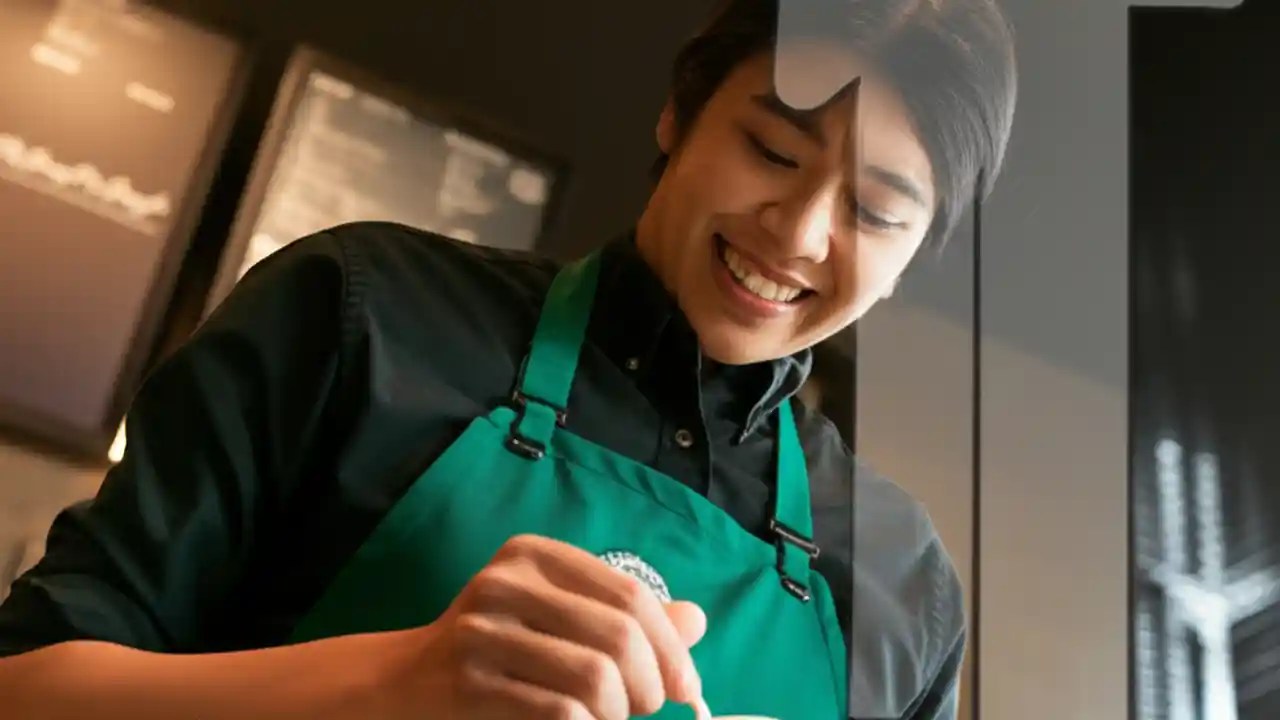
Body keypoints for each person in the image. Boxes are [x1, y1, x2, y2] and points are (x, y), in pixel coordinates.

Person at [0, 0, 1016, 717]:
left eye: (873, 212)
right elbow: (27, 689)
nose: (797, 233)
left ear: (916, 255)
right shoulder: (364, 318)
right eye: (772, 153)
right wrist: (394, 687)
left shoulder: (896, 577)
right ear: (679, 112)